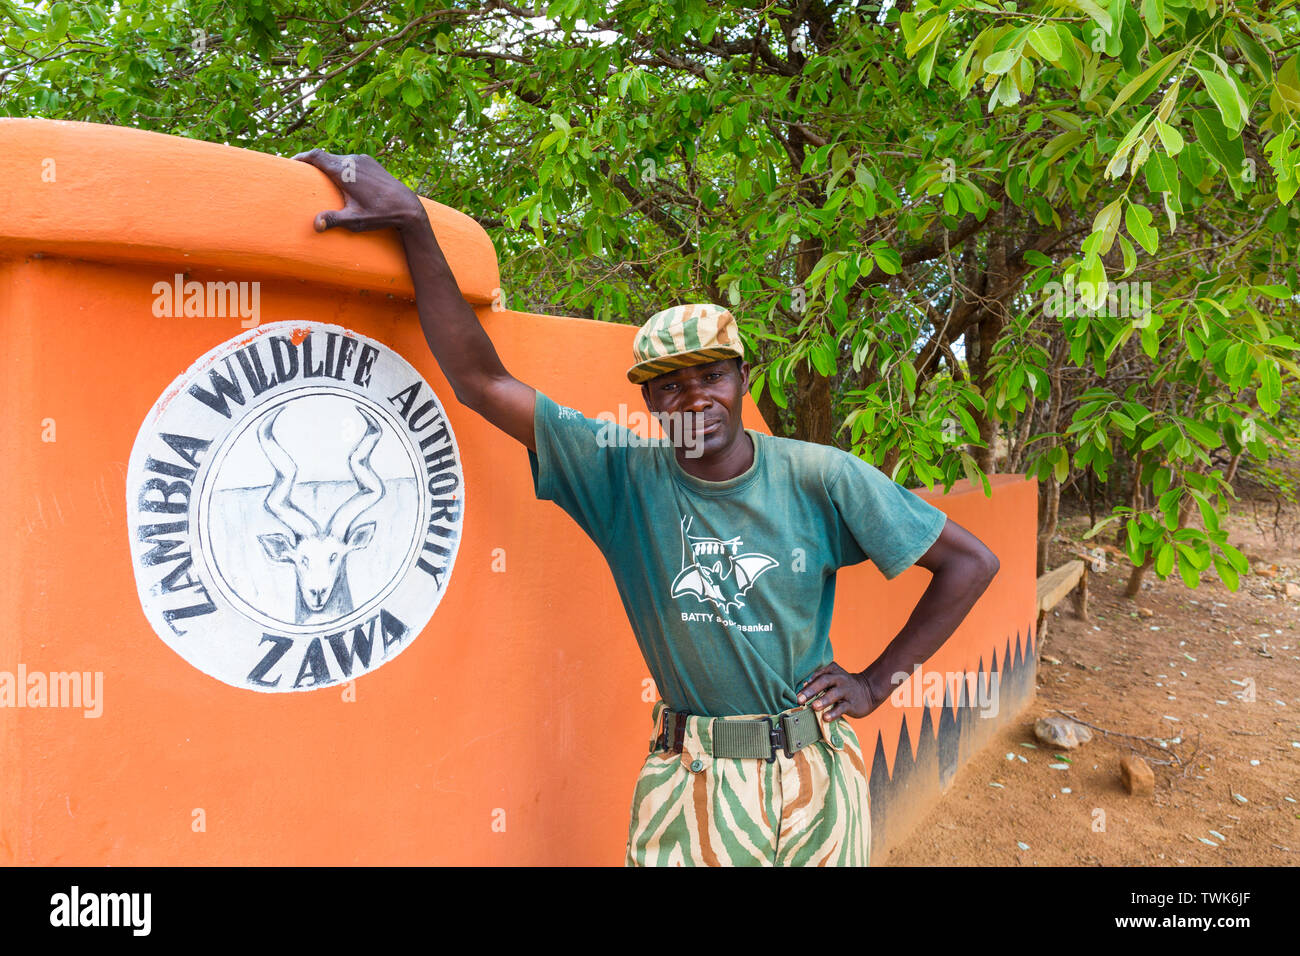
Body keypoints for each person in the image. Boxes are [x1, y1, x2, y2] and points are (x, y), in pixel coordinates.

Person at [293, 149, 1001, 866]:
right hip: (693, 782)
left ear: (742, 377)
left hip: (816, 777)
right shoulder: (621, 477)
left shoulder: (821, 477)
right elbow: (482, 381)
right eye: (668, 385)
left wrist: (878, 682)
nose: (693, 396)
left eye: (711, 376)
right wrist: (414, 224)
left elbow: (970, 563)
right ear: (647, 401)